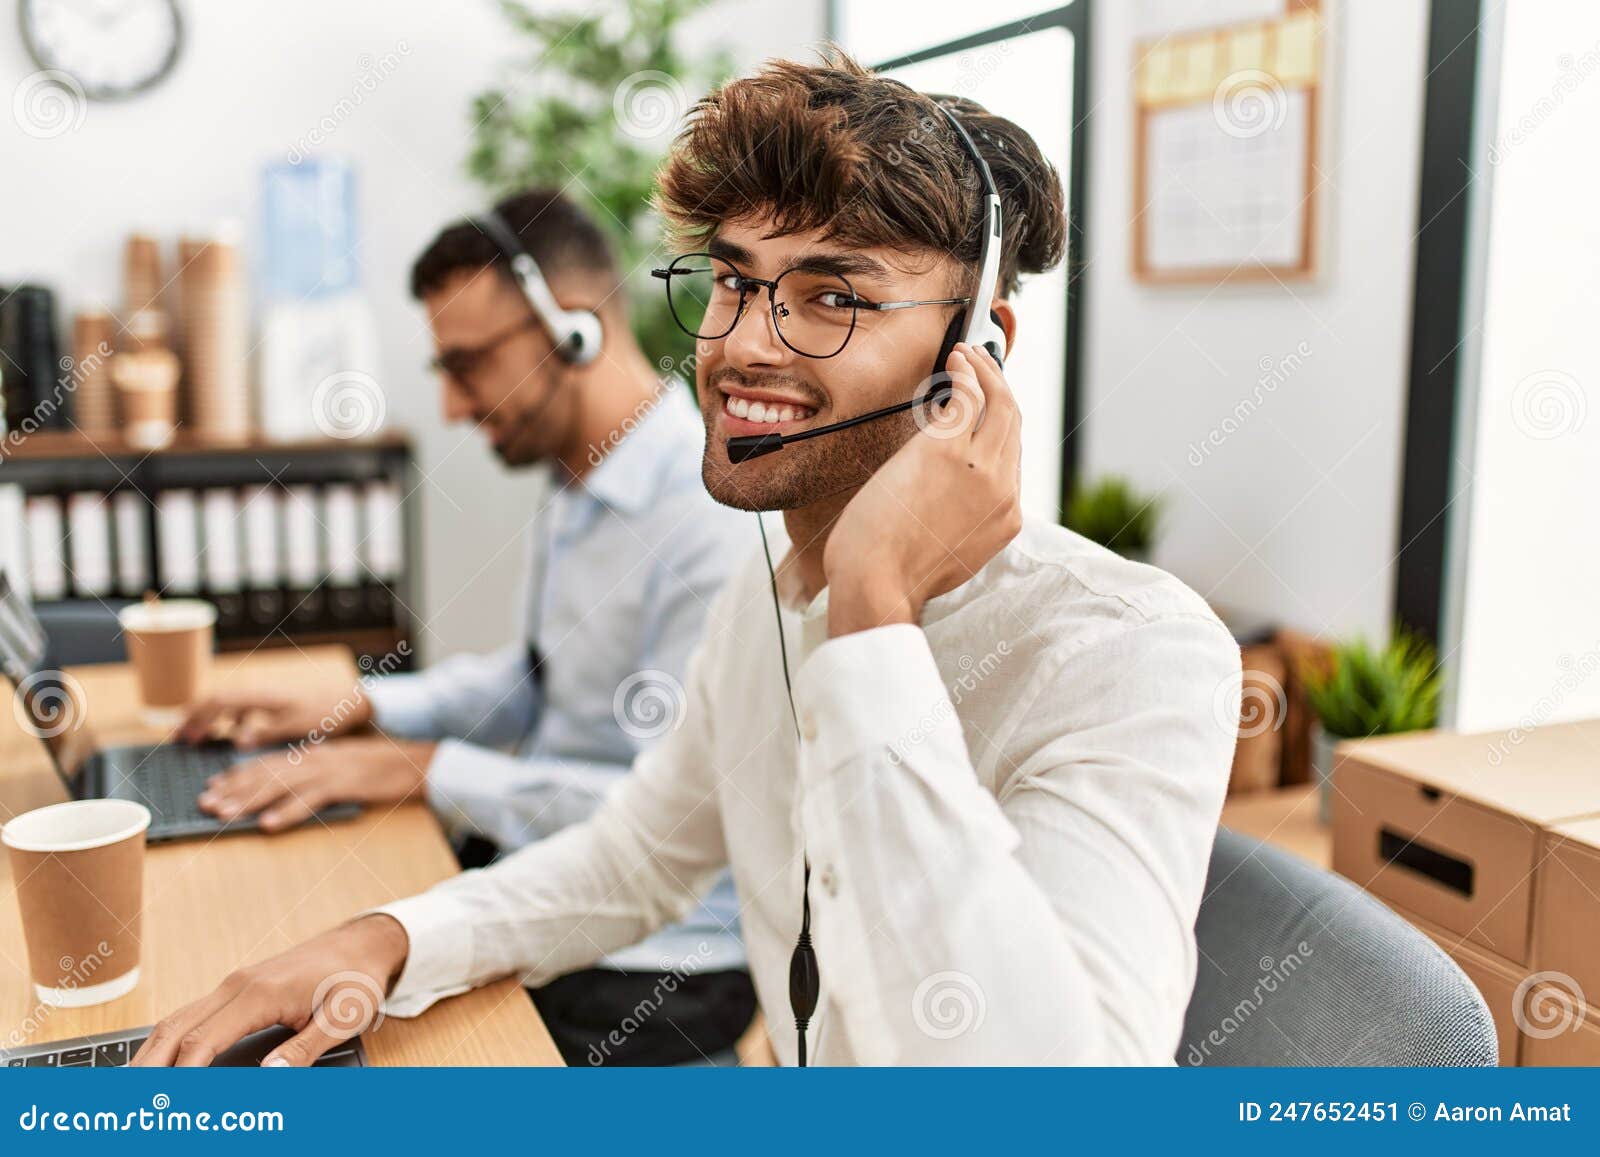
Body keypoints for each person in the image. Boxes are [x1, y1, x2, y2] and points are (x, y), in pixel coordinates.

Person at [135, 52, 1240, 1067]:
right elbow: (635, 857)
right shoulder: (768, 601)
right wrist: (384, 938)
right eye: (734, 282)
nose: (743, 343)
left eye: (832, 297)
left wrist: (872, 605)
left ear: (976, 350)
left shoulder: (1129, 653)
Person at [172, 188, 755, 1065]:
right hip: (546, 881)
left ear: (575, 329)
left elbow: (673, 825)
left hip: (660, 957)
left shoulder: (709, 521)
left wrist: (421, 767)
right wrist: (358, 703)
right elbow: (535, 682)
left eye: (469, 363)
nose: (450, 405)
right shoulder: (577, 483)